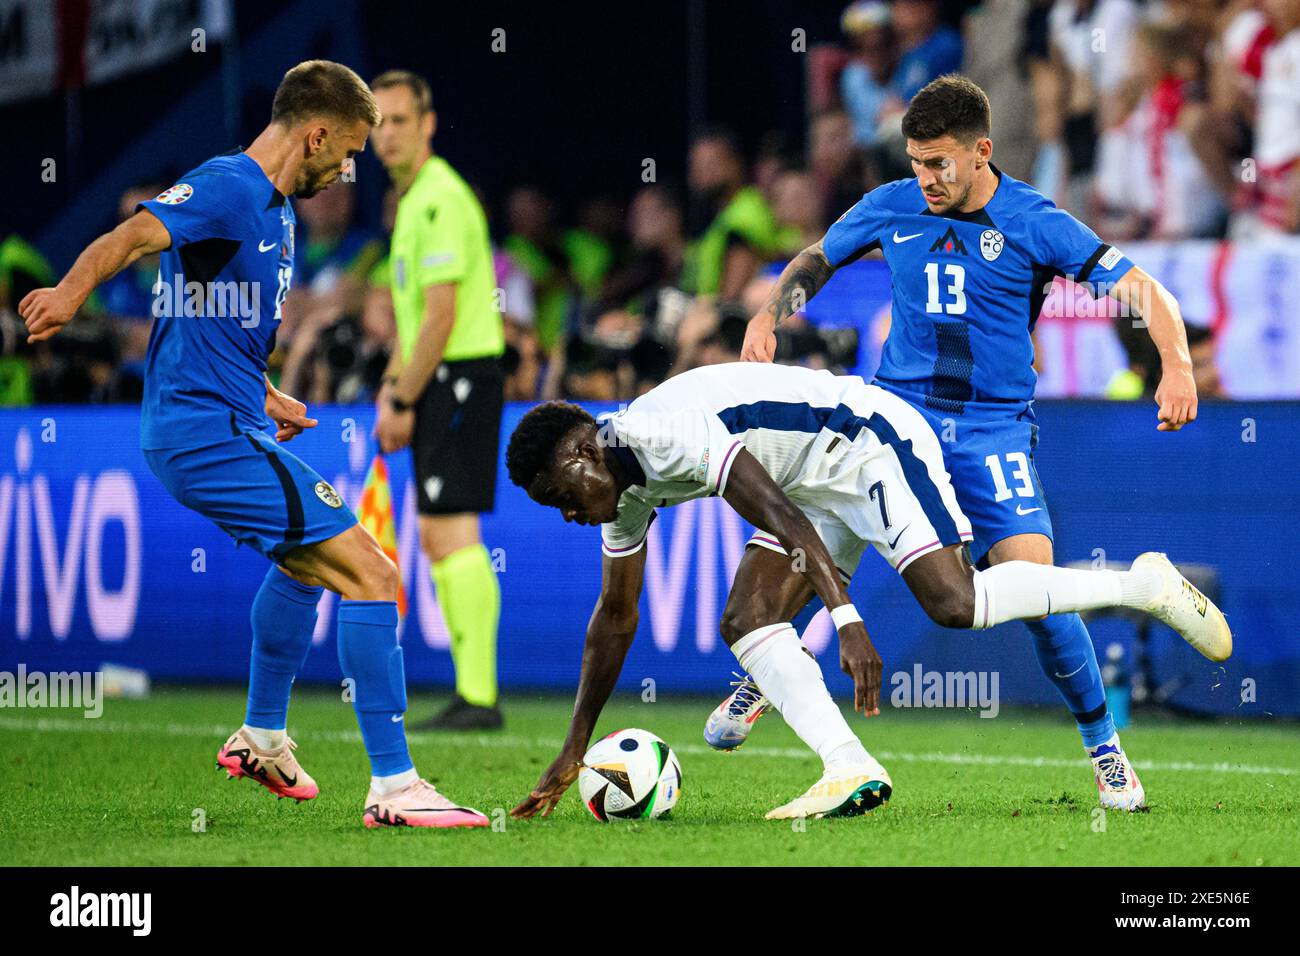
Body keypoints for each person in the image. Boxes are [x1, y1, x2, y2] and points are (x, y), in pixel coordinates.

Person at [731, 75, 1227, 813]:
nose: (924, 178)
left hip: (992, 428)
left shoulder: (1035, 220)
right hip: (898, 418)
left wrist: (1177, 366)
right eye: (914, 161)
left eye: (939, 163)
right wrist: (771, 312)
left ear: (982, 151)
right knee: (823, 524)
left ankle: (1105, 748)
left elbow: (1148, 293)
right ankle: (764, 674)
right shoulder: (894, 204)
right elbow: (816, 259)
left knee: (1037, 592)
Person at [18, 59, 488, 830]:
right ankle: (396, 787)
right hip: (202, 435)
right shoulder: (231, 186)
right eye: (346, 152)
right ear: (314, 134)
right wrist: (71, 291)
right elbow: (137, 232)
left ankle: (263, 736)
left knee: (306, 569)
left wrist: (268, 395)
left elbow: (208, 321)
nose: (348, 170)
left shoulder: (275, 213)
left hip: (225, 421)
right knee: (373, 573)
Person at [504, 361, 1229, 821]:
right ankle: (848, 766)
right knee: (747, 617)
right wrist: (573, 751)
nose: (568, 514)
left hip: (866, 443)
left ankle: (1141, 585)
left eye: (560, 495)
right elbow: (616, 619)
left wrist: (845, 617)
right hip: (808, 482)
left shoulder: (656, 435)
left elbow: (782, 518)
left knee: (956, 604)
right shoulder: (621, 487)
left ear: (582, 452)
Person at [370, 70, 507, 730]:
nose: (387, 133)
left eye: (400, 119)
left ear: (427, 123)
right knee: (437, 531)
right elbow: (415, 317)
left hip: (458, 377)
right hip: (443, 377)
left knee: (451, 530)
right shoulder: (415, 201)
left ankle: (478, 697)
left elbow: (442, 317)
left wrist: (402, 396)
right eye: (378, 122)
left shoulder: (439, 200)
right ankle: (473, 693)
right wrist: (392, 388)